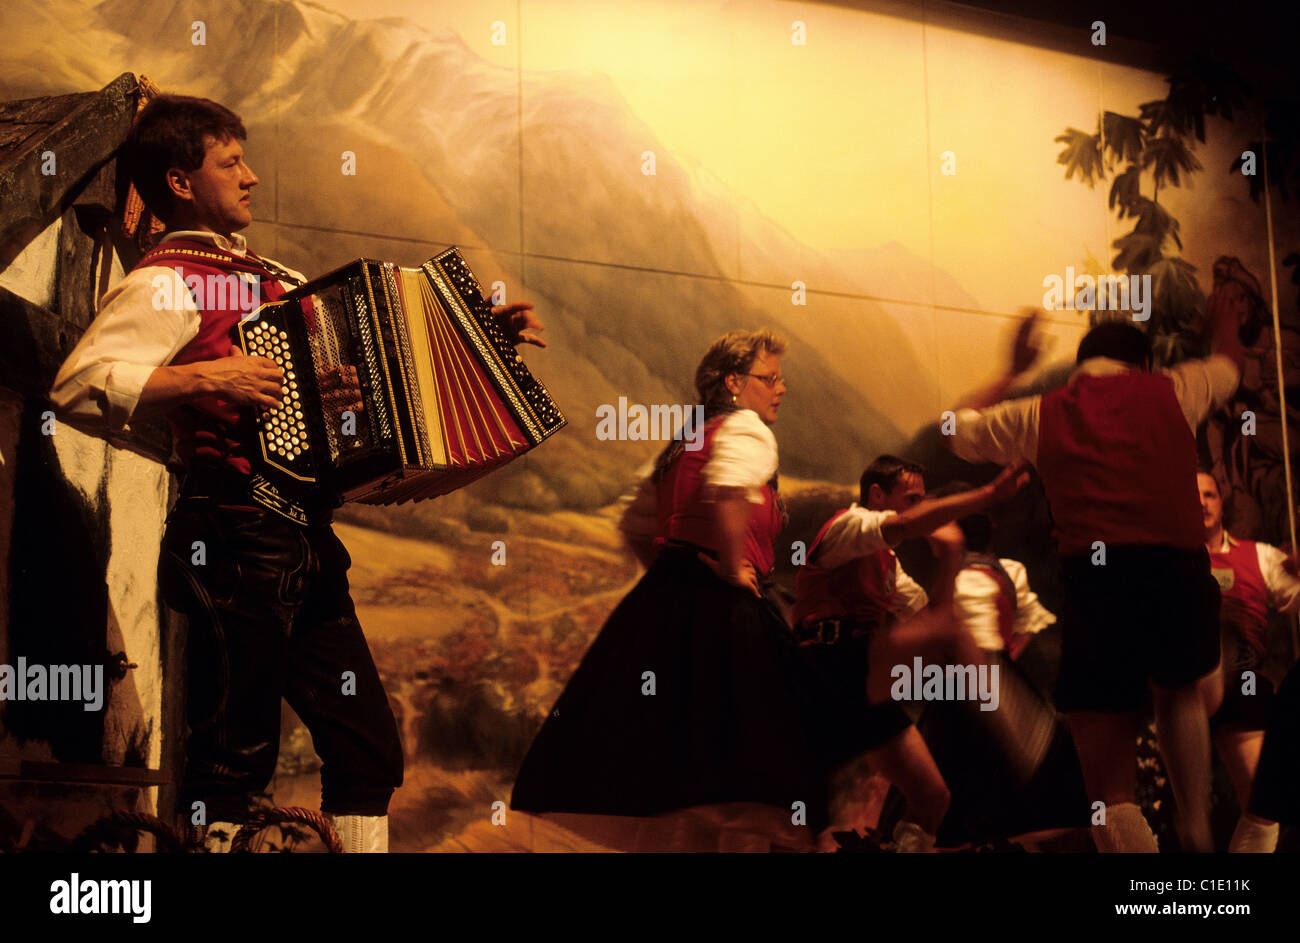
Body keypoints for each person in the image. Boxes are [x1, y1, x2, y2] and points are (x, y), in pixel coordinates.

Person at [48, 94, 545, 852]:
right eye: (230, 162)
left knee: (369, 747)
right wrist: (206, 381)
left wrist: (481, 340)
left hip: (300, 532)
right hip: (232, 527)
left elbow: (334, 406)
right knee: (230, 758)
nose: (251, 176)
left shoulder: (274, 277)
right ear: (181, 182)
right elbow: (78, 383)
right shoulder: (168, 279)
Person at [512, 329, 847, 850]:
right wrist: (733, 569)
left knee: (657, 752)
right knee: (761, 751)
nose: (780, 388)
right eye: (770, 378)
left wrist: (672, 575)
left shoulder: (684, 441)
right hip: (723, 605)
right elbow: (728, 492)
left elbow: (635, 524)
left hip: (663, 602)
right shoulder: (749, 430)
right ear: (735, 383)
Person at [946, 304, 1244, 853]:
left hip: (1097, 583)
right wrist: (1226, 307)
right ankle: (1197, 829)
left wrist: (1012, 370)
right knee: (1178, 689)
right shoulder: (1177, 389)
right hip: (1178, 573)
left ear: (1082, 365)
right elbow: (1229, 363)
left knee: (1110, 790)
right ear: (1145, 364)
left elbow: (955, 430)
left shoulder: (1041, 412)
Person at [790, 456, 1031, 852]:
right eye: (912, 498)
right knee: (803, 813)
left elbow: (933, 616)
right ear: (877, 495)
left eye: (922, 500)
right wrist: (988, 495)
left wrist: (951, 556)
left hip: (862, 679)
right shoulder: (848, 526)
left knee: (933, 797)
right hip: (824, 667)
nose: (918, 509)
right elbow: (902, 526)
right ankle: (1010, 724)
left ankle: (1001, 722)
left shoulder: (889, 565)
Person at [1196, 471, 1300, 852]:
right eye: (1192, 496)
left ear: (1221, 503)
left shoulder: (1260, 555)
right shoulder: (1168, 561)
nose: (1202, 502)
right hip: (1182, 681)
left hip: (1243, 681)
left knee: (1262, 804)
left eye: (1209, 494)